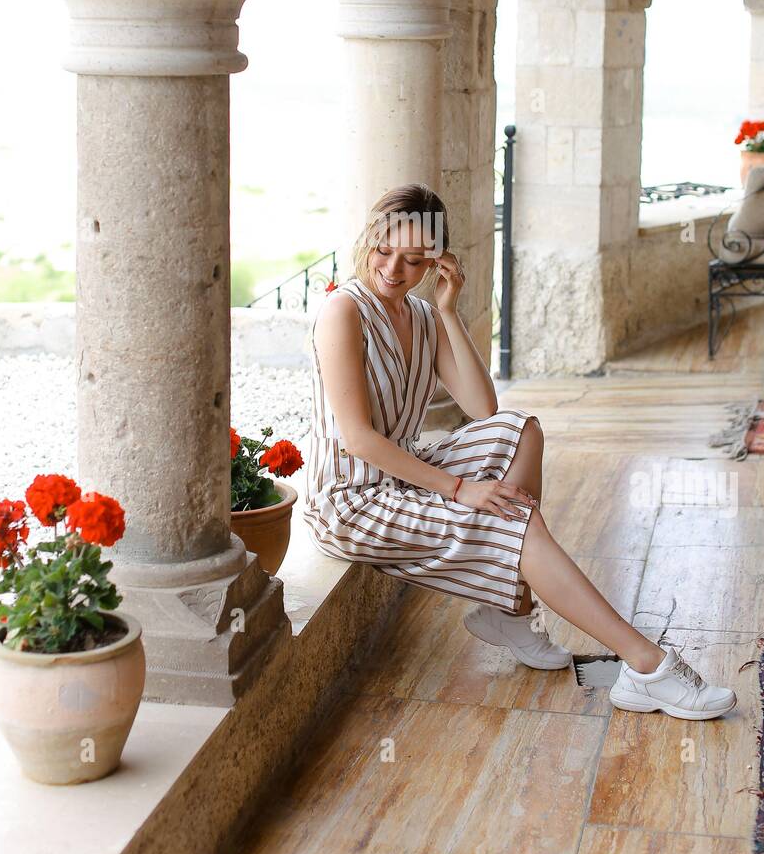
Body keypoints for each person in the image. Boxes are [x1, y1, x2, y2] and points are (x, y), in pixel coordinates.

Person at [304, 183, 737, 721]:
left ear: (435, 262)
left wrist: (448, 308)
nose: (394, 268)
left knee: (520, 428)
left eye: (415, 260)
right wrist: (463, 490)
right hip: (352, 501)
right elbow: (358, 438)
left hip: (403, 479)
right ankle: (645, 665)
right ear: (369, 240)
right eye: (384, 250)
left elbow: (483, 407)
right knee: (515, 522)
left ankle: (510, 608)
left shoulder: (419, 315)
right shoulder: (342, 311)